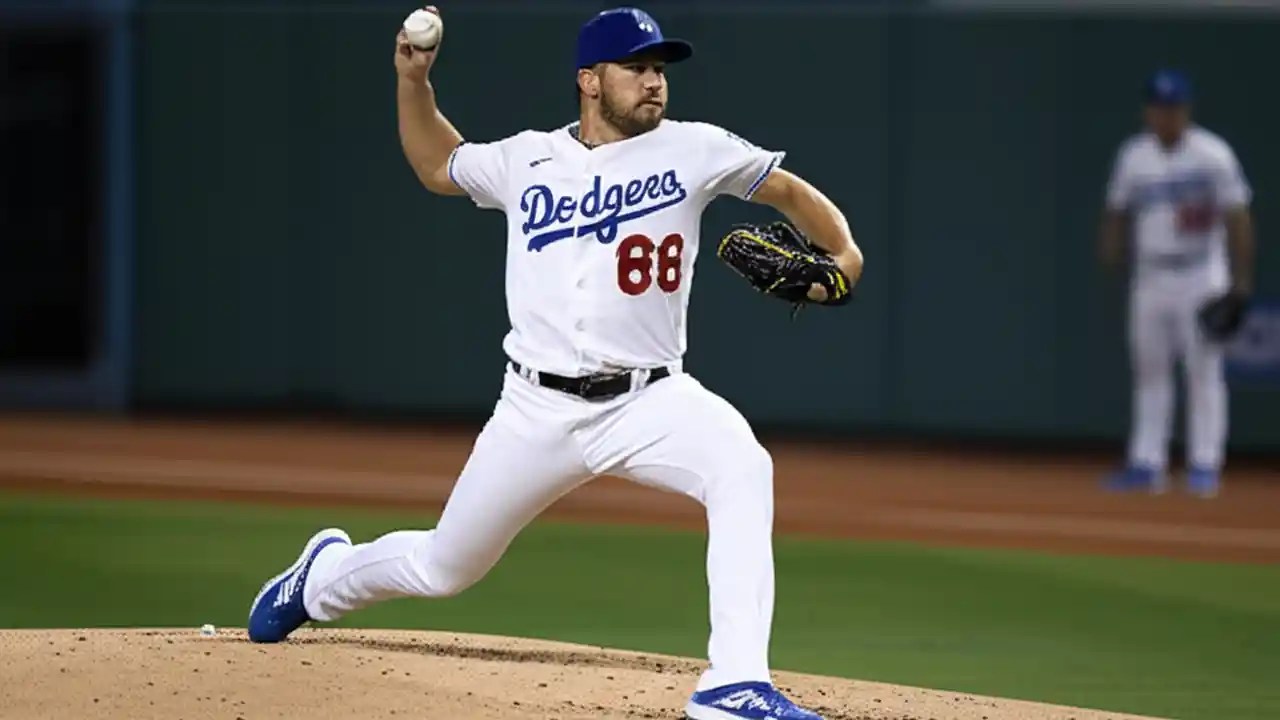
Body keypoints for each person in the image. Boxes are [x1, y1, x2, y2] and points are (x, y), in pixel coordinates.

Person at [247, 6, 863, 720]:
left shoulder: (695, 148)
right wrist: (413, 83)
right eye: (636, 68)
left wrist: (844, 255)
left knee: (743, 467)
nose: (654, 82)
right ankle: (323, 577)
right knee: (445, 567)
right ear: (589, 80)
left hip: (650, 400)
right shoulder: (527, 159)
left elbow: (789, 191)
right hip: (535, 409)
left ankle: (733, 682)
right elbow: (437, 164)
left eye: (660, 69)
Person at [1099, 69, 1256, 498]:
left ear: (1186, 110)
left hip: (1200, 272)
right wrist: (1111, 254)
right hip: (1151, 274)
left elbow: (1238, 216)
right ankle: (1147, 462)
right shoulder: (1134, 156)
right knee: (1149, 371)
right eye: (1159, 107)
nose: (1166, 115)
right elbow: (1116, 211)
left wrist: (1240, 282)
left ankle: (1205, 464)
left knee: (1203, 371)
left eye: (1173, 107)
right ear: (1147, 112)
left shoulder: (1212, 154)